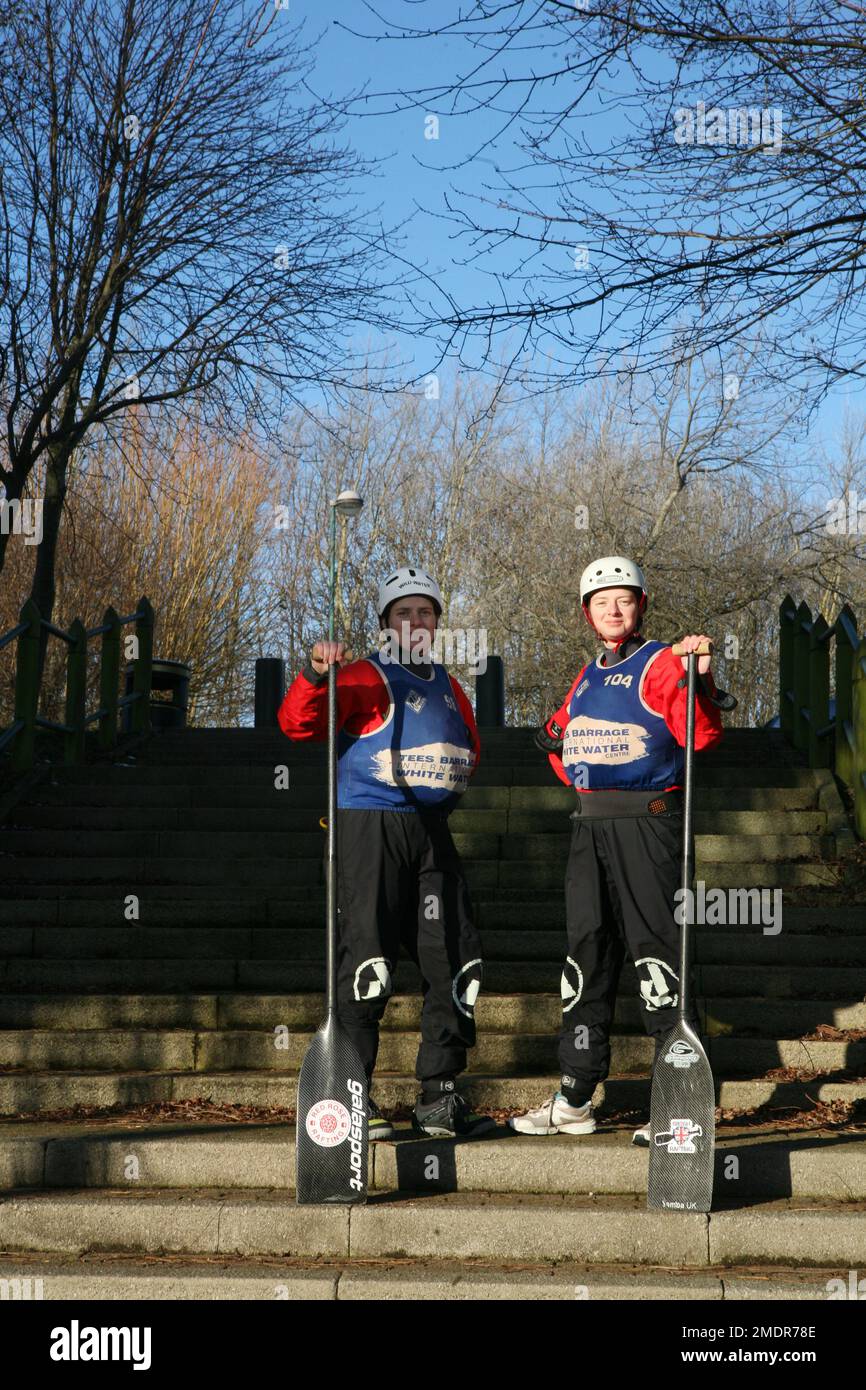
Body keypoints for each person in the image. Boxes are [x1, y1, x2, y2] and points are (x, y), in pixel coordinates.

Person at [508, 556, 736, 1145]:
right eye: (601, 600)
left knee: (658, 953)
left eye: (624, 599)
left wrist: (699, 678)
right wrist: (582, 775)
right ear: (588, 613)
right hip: (590, 829)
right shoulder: (587, 675)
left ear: (640, 606)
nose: (613, 608)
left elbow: (702, 735)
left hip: (648, 826)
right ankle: (577, 1095)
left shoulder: (662, 661)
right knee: (586, 958)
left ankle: (680, 1104)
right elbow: (560, 742)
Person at [277, 566, 495, 1140]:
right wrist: (313, 675)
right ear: (386, 624)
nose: (416, 621)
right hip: (369, 826)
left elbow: (470, 748)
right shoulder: (363, 676)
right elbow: (298, 725)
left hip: (430, 830)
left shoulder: (450, 686)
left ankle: (439, 1096)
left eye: (425, 612)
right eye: (404, 613)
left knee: (453, 957)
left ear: (437, 622)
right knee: (368, 962)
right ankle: (351, 1097)